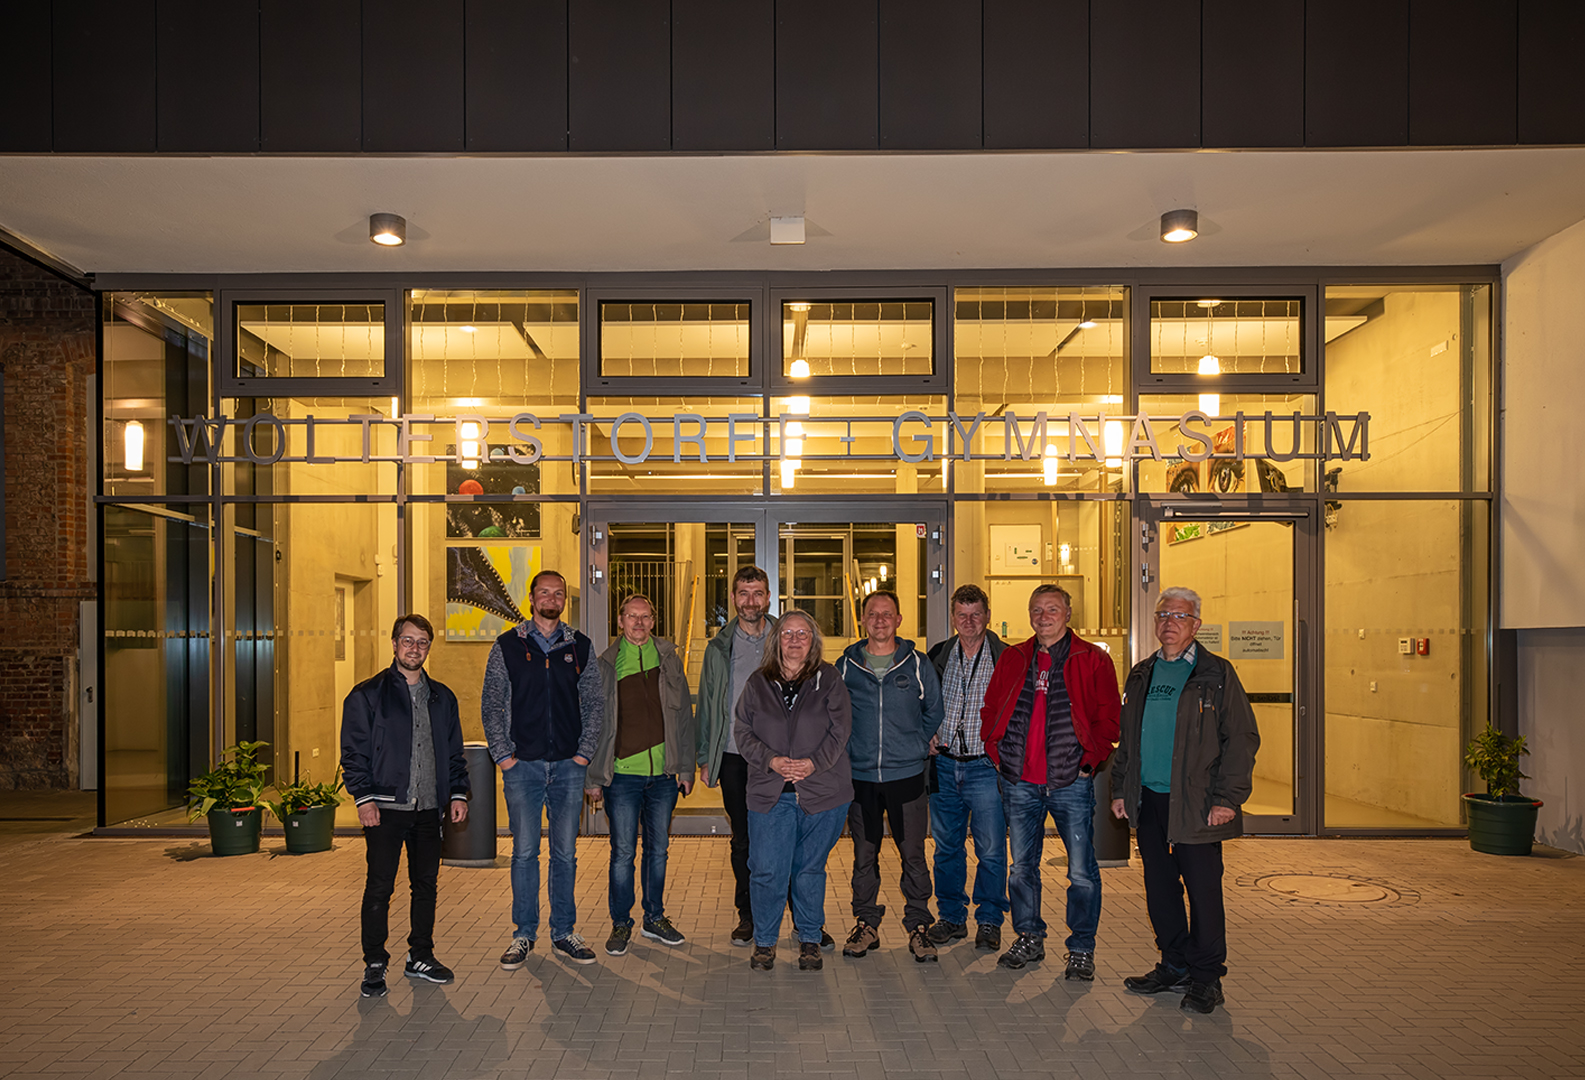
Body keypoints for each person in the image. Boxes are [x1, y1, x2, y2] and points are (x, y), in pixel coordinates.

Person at [1111, 586, 1260, 1015]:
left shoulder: (1217, 674)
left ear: (1196, 625)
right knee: (1160, 890)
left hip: (1197, 804)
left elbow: (1242, 738)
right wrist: (1121, 789)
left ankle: (1207, 977)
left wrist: (1228, 798)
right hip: (1150, 801)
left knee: (1203, 892)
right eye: (1163, 615)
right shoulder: (1141, 674)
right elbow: (1129, 741)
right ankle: (1173, 964)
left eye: (1179, 616)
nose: (1169, 623)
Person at [980, 584, 1121, 978]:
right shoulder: (1013, 658)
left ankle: (1080, 948)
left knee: (1080, 872)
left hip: (1069, 782)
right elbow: (991, 707)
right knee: (1021, 868)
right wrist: (996, 749)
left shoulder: (1091, 659)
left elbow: (1109, 718)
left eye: (1052, 609)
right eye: (1037, 610)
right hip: (1019, 781)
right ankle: (1028, 936)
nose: (1044, 616)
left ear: (1068, 613)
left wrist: (1089, 760)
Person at [340, 614, 471, 998]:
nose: (415, 648)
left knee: (425, 886)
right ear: (394, 644)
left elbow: (454, 753)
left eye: (422, 643)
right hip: (384, 808)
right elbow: (353, 753)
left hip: (428, 809)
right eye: (408, 641)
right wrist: (363, 799)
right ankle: (375, 963)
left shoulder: (442, 697)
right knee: (380, 887)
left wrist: (459, 794)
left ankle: (421, 956)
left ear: (429, 647)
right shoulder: (367, 695)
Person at [483, 569, 604, 968]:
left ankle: (564, 931)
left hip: (569, 768)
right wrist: (504, 756)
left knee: (566, 854)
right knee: (524, 853)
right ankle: (523, 934)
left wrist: (584, 755)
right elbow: (492, 705)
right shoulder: (507, 646)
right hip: (524, 768)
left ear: (564, 600)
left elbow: (594, 705)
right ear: (531, 598)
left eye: (558, 592)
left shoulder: (580, 646)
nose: (552, 597)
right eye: (544, 592)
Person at [734, 608, 854, 972]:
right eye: (788, 633)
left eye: (803, 634)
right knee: (767, 871)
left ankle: (809, 940)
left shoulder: (829, 679)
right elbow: (743, 732)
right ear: (777, 639)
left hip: (822, 794)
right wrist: (771, 760)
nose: (795, 640)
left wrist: (813, 763)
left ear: (813, 641)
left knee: (809, 870)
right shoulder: (758, 683)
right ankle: (766, 942)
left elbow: (841, 729)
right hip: (771, 795)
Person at [836, 589, 945, 962]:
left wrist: (915, 743)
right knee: (864, 857)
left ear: (899, 620)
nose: (880, 620)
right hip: (861, 779)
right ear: (863, 620)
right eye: (873, 614)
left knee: (913, 856)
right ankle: (866, 924)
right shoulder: (846, 665)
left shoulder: (916, 663)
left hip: (907, 777)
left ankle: (919, 926)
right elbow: (834, 714)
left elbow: (934, 709)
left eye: (887, 614)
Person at [587, 594, 696, 955]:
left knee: (659, 850)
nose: (638, 623)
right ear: (620, 621)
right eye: (631, 617)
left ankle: (654, 918)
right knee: (622, 853)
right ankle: (621, 923)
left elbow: (682, 718)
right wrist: (593, 777)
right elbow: (594, 723)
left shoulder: (668, 659)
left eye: (645, 617)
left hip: (664, 776)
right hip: (621, 775)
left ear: (653, 621)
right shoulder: (605, 663)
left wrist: (685, 766)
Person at [924, 584, 1010, 952]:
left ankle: (989, 920)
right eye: (962, 615)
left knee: (991, 849)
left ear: (987, 615)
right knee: (946, 848)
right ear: (953, 618)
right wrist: (925, 734)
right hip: (944, 764)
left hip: (985, 768)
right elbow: (921, 702)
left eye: (976, 614)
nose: (969, 621)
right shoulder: (939, 655)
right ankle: (951, 917)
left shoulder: (1006, 657)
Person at [696, 565, 776, 946]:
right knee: (743, 839)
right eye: (743, 594)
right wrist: (703, 754)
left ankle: (791, 913)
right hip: (732, 755)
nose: (750, 601)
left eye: (757, 593)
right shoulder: (718, 647)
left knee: (782, 836)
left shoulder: (785, 637)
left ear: (768, 597)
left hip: (779, 758)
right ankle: (747, 915)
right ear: (733, 598)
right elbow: (708, 704)